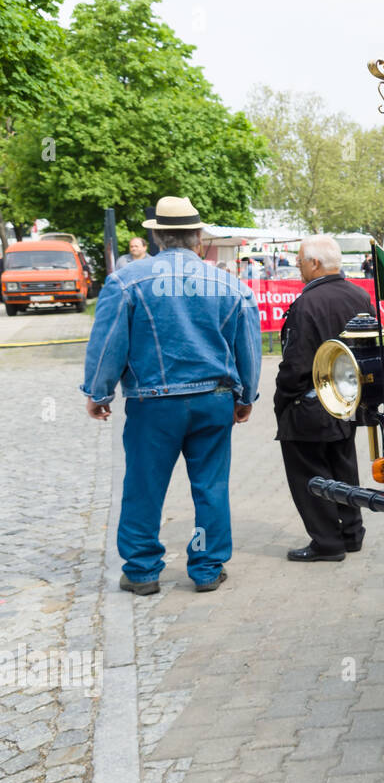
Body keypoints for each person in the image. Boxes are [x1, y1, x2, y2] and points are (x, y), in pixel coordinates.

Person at [82, 196, 261, 594]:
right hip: (214, 400)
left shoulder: (126, 281)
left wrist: (98, 392)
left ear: (159, 236)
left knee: (144, 486)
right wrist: (246, 396)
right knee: (210, 487)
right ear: (199, 237)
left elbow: (109, 342)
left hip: (153, 402)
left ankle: (143, 571)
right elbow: (248, 345)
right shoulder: (230, 285)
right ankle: (206, 568)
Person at [275, 235, 374, 562]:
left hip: (310, 403)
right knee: (343, 466)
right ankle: (351, 533)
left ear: (315, 263)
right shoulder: (360, 295)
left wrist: (282, 397)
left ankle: (328, 542)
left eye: (301, 260)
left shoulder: (307, 303)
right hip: (348, 401)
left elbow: (296, 363)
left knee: (310, 473)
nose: (298, 267)